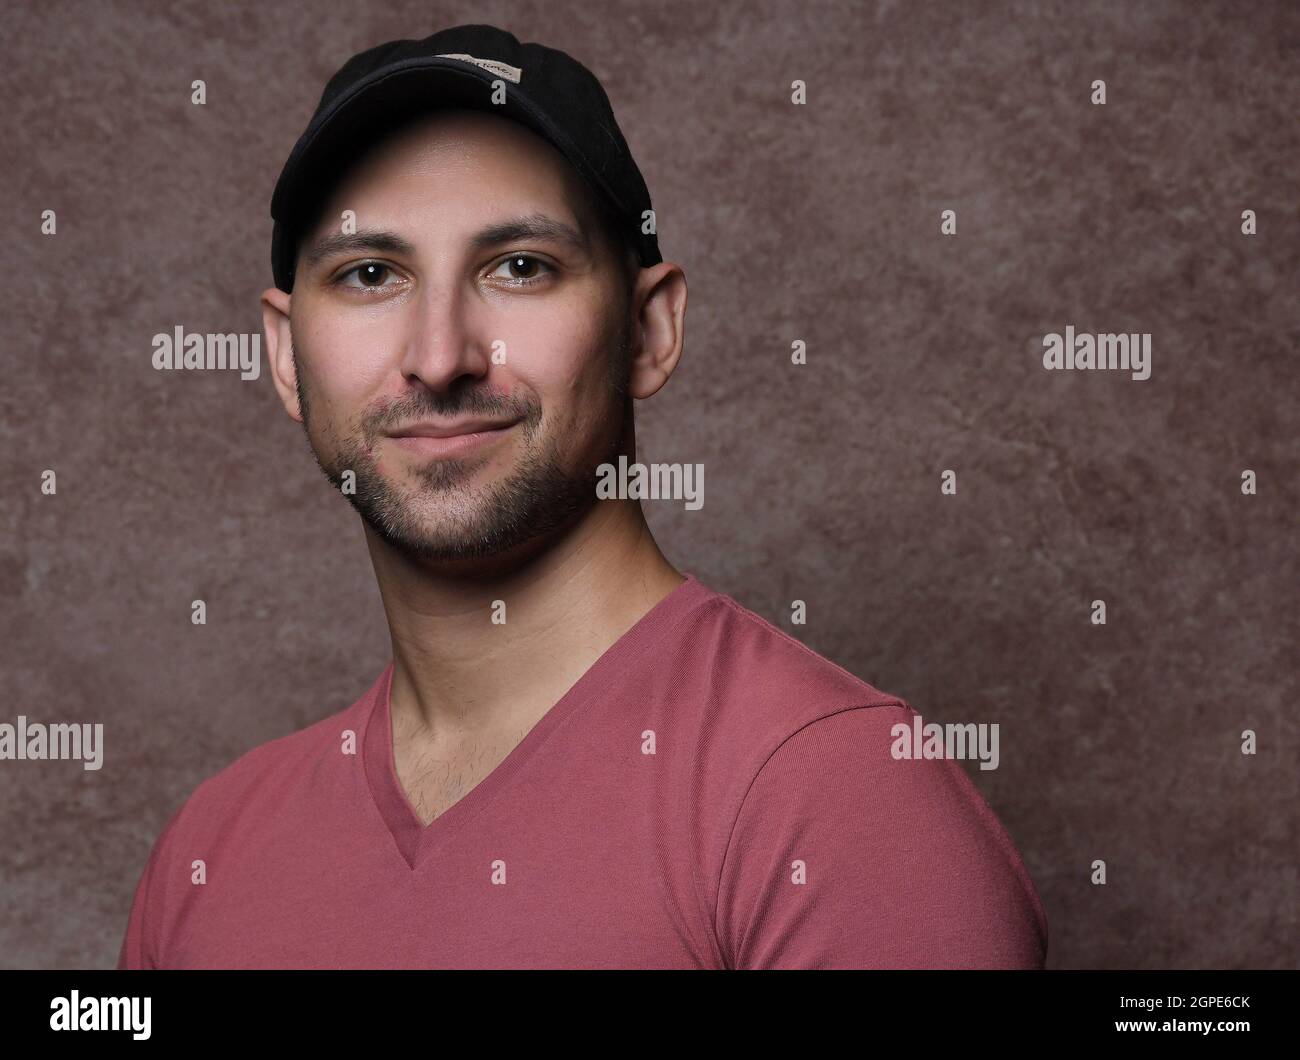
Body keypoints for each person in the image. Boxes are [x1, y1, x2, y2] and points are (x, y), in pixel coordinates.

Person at [117, 23, 1047, 969]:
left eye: (520, 266)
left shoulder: (831, 797)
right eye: (370, 275)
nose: (440, 357)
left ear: (647, 331)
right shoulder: (209, 853)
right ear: (284, 354)